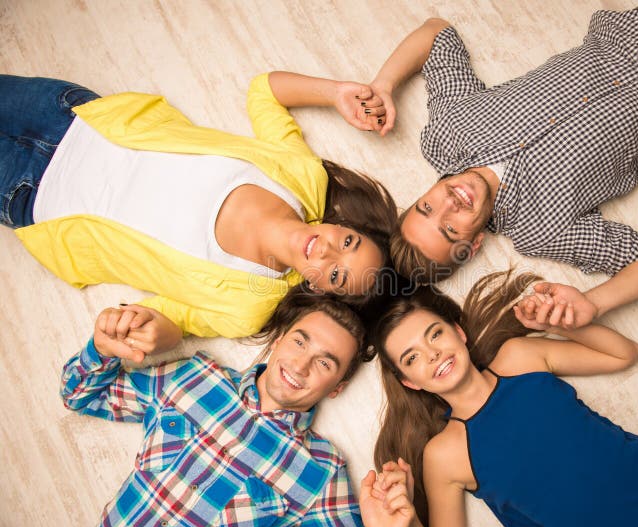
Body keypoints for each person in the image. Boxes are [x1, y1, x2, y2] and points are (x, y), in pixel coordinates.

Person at [357, 1, 638, 329]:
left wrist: (384, 84)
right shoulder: (542, 230)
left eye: (426, 208)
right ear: (472, 246)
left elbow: (437, 33)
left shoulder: (448, 133)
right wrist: (595, 303)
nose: (448, 204)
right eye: (449, 229)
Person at [371, 271, 638, 527]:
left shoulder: (518, 358)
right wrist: (406, 521)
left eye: (435, 334)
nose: (433, 354)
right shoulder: (444, 455)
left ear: (459, 333)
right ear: (410, 382)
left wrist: (562, 323)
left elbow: (623, 354)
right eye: (412, 358)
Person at [0, 71, 397, 353]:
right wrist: (336, 93)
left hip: (33, 196)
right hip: (75, 116)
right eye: (348, 241)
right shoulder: (303, 175)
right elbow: (264, 91)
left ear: (319, 289)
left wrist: (146, 332)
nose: (327, 251)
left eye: (336, 274)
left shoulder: (246, 306)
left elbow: (170, 320)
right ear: (342, 225)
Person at [60, 287, 415, 527]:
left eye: (325, 363)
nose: (301, 365)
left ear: (337, 388)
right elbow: (80, 396)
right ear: (278, 342)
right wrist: (102, 350)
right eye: (299, 342)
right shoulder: (193, 376)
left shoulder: (322, 474)